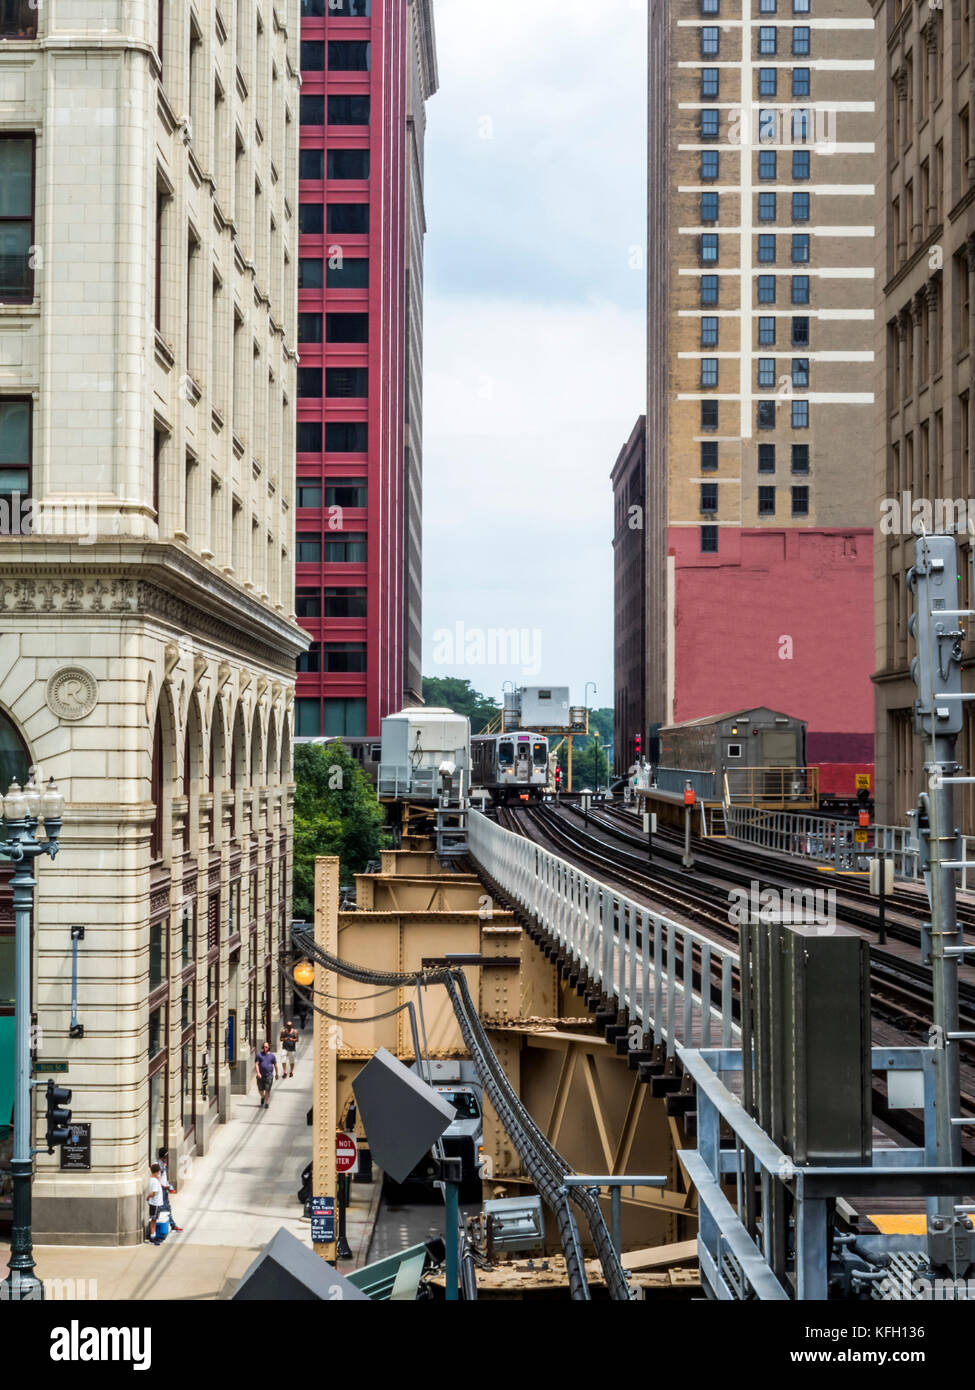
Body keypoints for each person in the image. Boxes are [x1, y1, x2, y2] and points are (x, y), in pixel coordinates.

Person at [157, 1147, 183, 1233]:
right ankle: (172, 1225)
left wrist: (168, 1186)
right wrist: (166, 1187)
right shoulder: (159, 1165)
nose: (167, 1157)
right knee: (165, 1208)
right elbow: (158, 1179)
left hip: (165, 1189)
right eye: (166, 1155)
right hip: (162, 1190)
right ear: (164, 1156)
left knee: (166, 1207)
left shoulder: (162, 1164)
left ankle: (172, 1225)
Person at [255, 1040, 278, 1108]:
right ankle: (262, 1096)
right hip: (260, 1075)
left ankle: (266, 1102)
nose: (265, 1048)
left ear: (269, 1048)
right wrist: (258, 1073)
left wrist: (277, 1074)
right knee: (260, 1090)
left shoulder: (272, 1056)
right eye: (264, 1047)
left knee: (267, 1089)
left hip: (269, 1075)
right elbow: (256, 1064)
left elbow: (275, 1065)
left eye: (266, 1047)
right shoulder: (259, 1055)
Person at [147, 1163, 164, 1244]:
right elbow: (153, 1193)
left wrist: (159, 1179)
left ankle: (153, 1236)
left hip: (156, 1203)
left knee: (154, 1220)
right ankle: (152, 1238)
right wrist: (148, 1197)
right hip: (155, 1204)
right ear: (157, 1171)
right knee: (153, 1221)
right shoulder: (154, 1181)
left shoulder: (154, 1180)